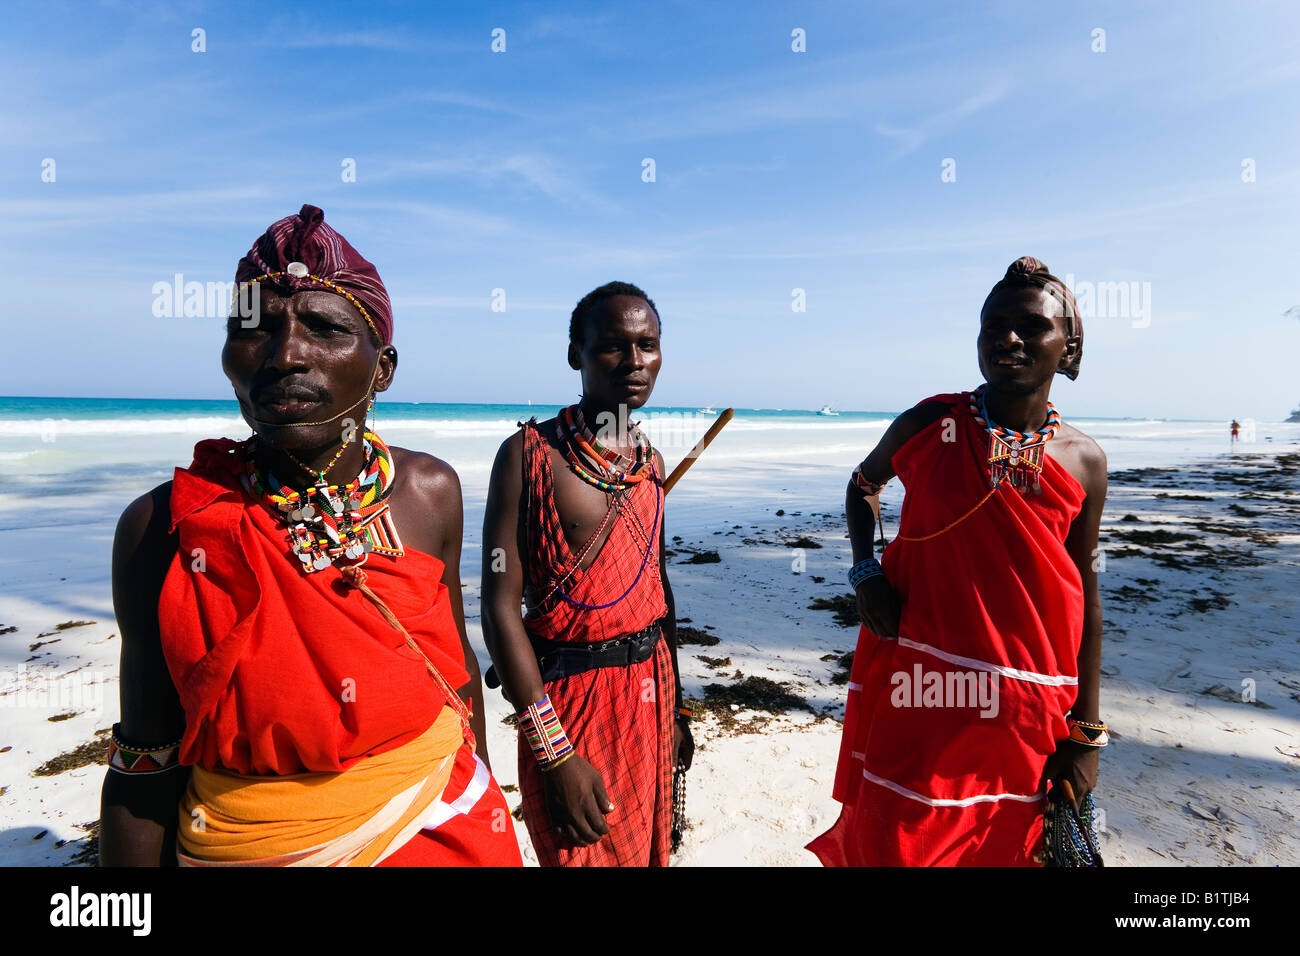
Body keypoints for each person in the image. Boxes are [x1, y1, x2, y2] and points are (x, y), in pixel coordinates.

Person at [99, 204, 522, 866]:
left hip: (445, 825)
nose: (286, 354)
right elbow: (145, 756)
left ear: (382, 370)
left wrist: (483, 798)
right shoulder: (165, 530)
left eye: (324, 328)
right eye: (253, 330)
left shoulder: (428, 493)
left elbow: (455, 669)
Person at [808, 256, 1108, 866]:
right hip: (921, 681)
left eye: (1031, 326)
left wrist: (1088, 733)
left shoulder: (1085, 462)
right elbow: (862, 487)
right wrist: (865, 572)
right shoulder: (931, 424)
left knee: (1003, 842)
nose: (1008, 338)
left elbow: (1085, 594)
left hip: (1029, 701)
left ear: (1069, 350)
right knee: (903, 833)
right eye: (992, 325)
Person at [480, 281, 692, 866]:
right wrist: (555, 754)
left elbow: (658, 589)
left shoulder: (650, 463)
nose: (634, 362)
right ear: (576, 353)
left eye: (647, 345)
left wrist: (677, 710)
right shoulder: (528, 456)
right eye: (612, 346)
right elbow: (500, 609)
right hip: (569, 703)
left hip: (650, 690)